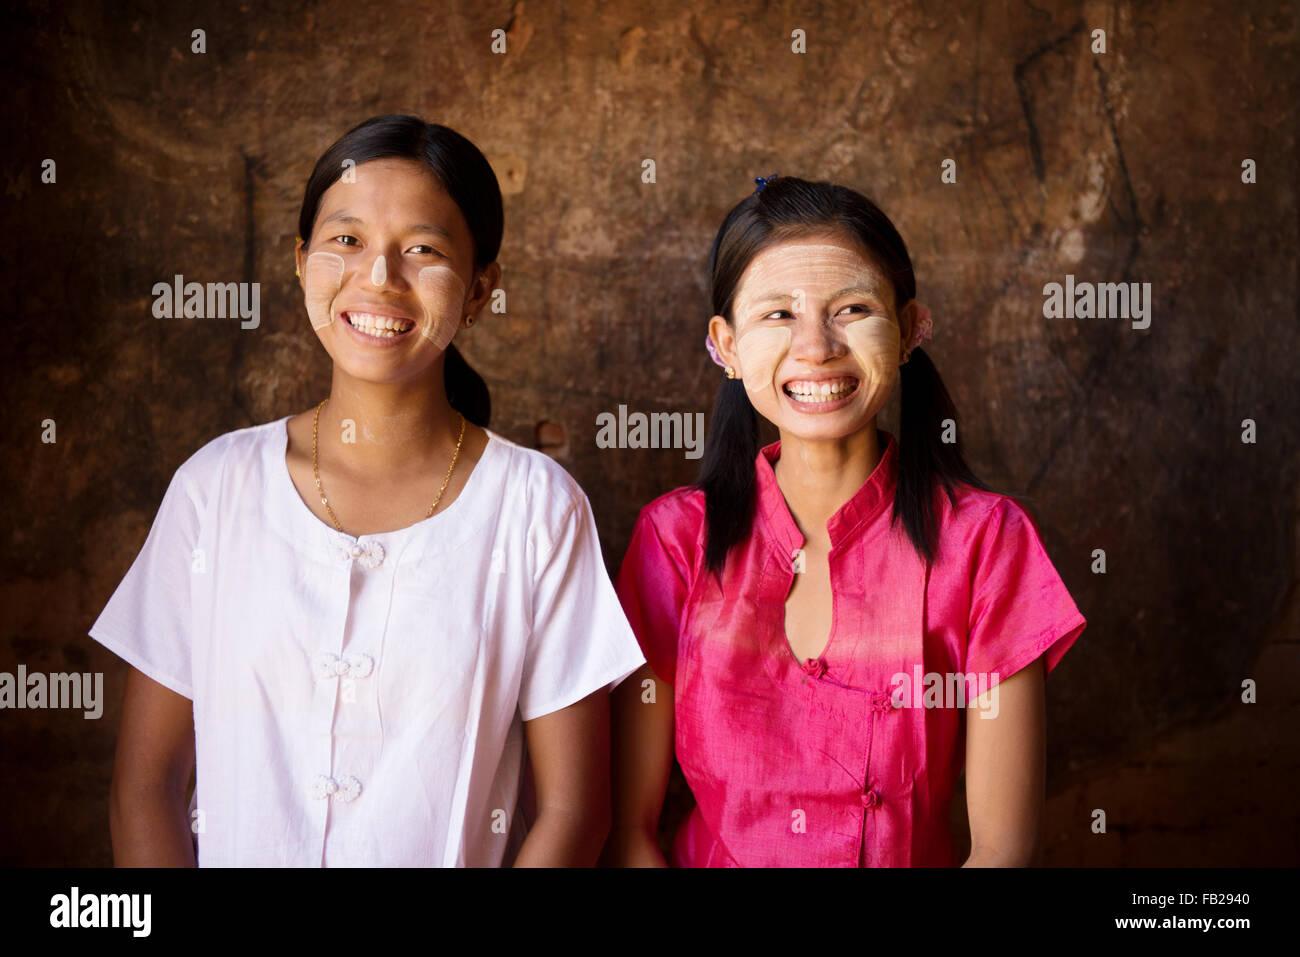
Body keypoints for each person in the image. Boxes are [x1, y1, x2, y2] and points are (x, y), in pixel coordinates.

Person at [90, 114, 645, 866]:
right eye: (346, 240)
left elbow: (575, 814)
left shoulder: (537, 509)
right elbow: (147, 787)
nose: (379, 277)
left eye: (422, 249)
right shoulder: (213, 490)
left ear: (482, 288)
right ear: (300, 262)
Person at [605, 175, 1087, 867]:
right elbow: (629, 833)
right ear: (727, 345)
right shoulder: (676, 539)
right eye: (777, 314)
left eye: (852, 308)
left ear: (908, 329)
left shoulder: (987, 542)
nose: (817, 346)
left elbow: (1002, 851)